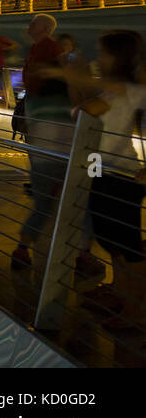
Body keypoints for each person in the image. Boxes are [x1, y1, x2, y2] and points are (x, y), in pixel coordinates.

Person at [45, 30, 146, 327]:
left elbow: (85, 111)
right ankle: (122, 296)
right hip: (101, 173)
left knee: (128, 248)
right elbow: (83, 110)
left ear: (117, 56)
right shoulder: (113, 89)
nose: (99, 59)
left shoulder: (129, 89)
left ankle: (135, 314)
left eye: (103, 53)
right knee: (113, 244)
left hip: (121, 175)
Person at [11, 14, 80, 271]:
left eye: (32, 23)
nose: (28, 26)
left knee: (48, 200)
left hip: (45, 138)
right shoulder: (42, 49)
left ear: (42, 28)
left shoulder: (48, 48)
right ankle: (78, 255)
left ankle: (25, 248)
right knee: (69, 201)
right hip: (53, 139)